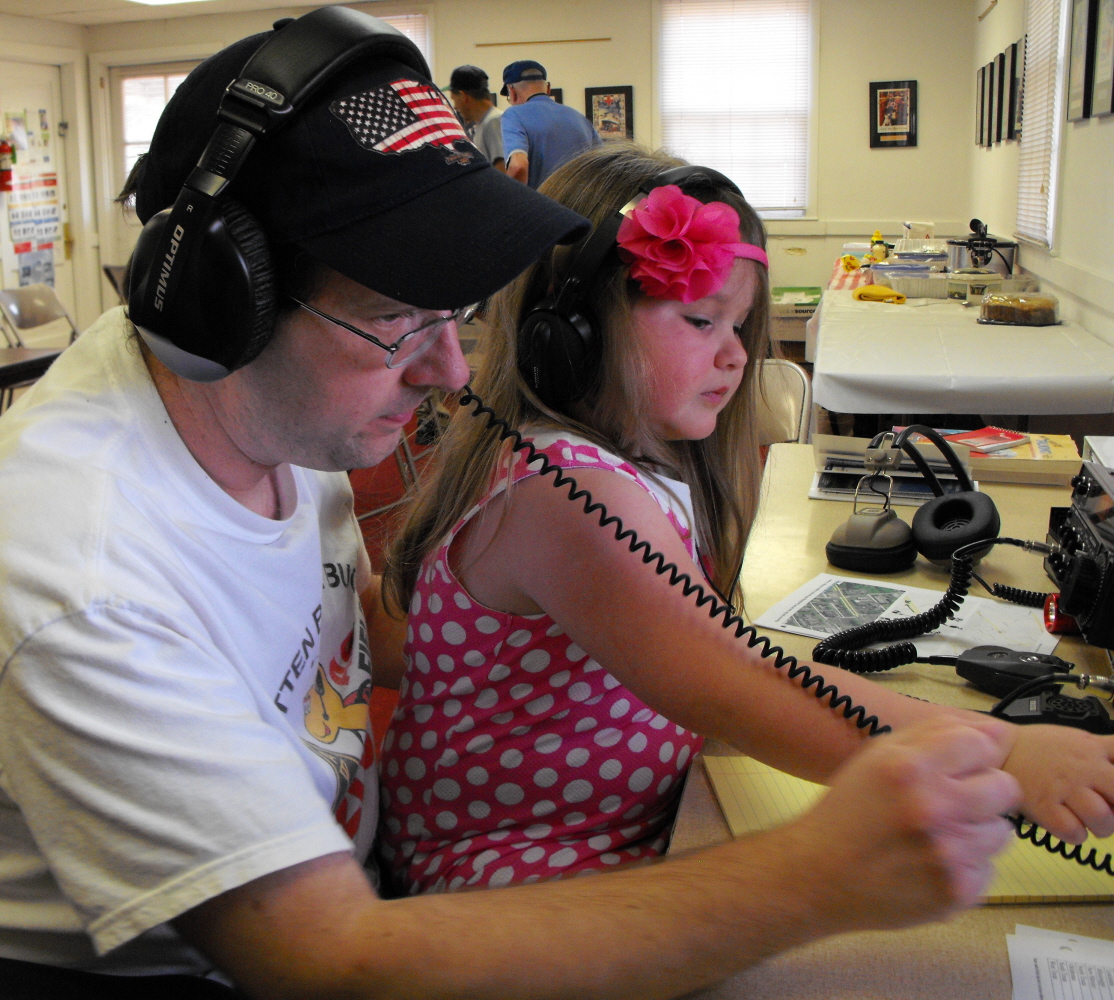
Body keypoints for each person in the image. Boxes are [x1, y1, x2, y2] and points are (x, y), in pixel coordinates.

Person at [0, 10, 1042, 999]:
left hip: (367, 878)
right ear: (218, 300)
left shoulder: (268, 398)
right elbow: (325, 962)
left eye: (453, 315)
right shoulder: (86, 570)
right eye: (399, 321)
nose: (450, 374)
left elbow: (339, 629)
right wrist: (819, 874)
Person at [378, 141, 1114, 897]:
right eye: (701, 320)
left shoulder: (620, 466)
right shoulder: (565, 495)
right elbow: (738, 688)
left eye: (740, 328)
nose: (735, 357)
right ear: (573, 328)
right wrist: (999, 753)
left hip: (623, 820)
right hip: (513, 868)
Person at [499, 59, 601, 188]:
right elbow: (603, 167)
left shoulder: (514, 115)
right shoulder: (580, 118)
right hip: (579, 205)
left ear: (511, 91)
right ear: (548, 88)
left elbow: (518, 166)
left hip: (539, 205)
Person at [446, 64, 504, 171]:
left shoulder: (493, 121)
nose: (455, 107)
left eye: (454, 100)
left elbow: (502, 169)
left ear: (464, 97)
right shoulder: (484, 123)